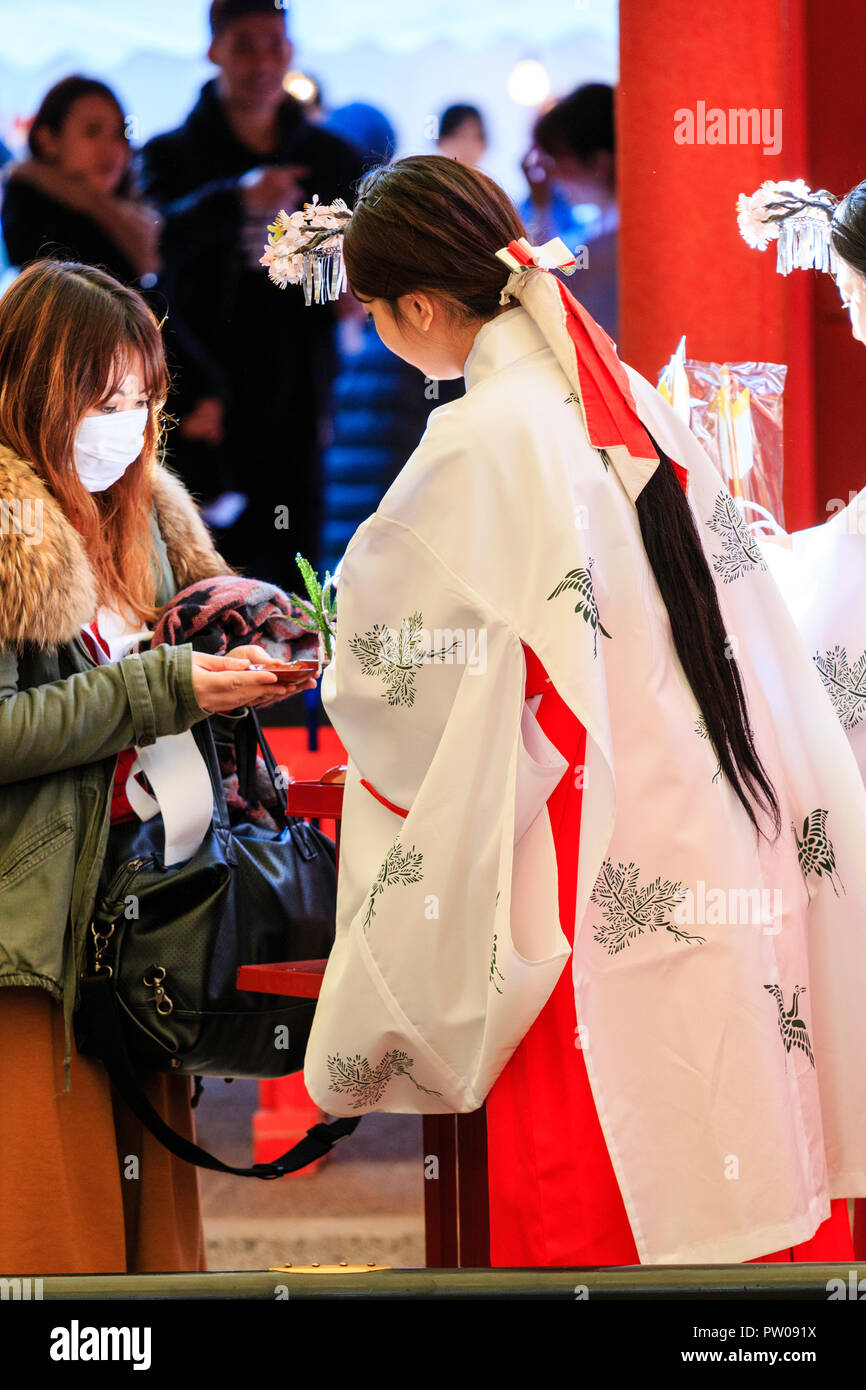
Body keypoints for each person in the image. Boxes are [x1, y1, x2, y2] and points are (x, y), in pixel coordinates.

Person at [286, 155, 866, 1266]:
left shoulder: (475, 439)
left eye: (374, 313)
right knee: (718, 1103)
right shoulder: (621, 394)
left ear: (415, 307)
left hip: (569, 838)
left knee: (596, 1149)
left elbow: (383, 675)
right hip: (702, 808)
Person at [0, 258, 316, 1274]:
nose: (127, 424)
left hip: (146, 924)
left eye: (143, 399)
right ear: (34, 385)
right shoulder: (11, 530)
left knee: (150, 1244)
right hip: (33, 942)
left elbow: (180, 666)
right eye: (104, 397)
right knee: (54, 1227)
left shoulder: (150, 519)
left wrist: (257, 642)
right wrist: (166, 687)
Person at [139, 0, 364, 586]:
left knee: (294, 589)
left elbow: (348, 291)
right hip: (197, 405)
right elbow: (146, 255)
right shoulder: (170, 157)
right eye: (245, 45)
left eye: (274, 44)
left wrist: (314, 245)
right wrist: (234, 200)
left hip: (298, 406)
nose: (263, 61)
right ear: (214, 51)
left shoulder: (328, 158)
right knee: (198, 588)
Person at [1, 75, 161, 290]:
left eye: (119, 133)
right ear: (48, 140)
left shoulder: (133, 216)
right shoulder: (34, 221)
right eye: (92, 131)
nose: (111, 148)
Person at [521, 83, 618, 341]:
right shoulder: (604, 226)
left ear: (600, 161)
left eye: (557, 160)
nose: (553, 176)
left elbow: (544, 286)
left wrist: (541, 203)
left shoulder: (612, 241)